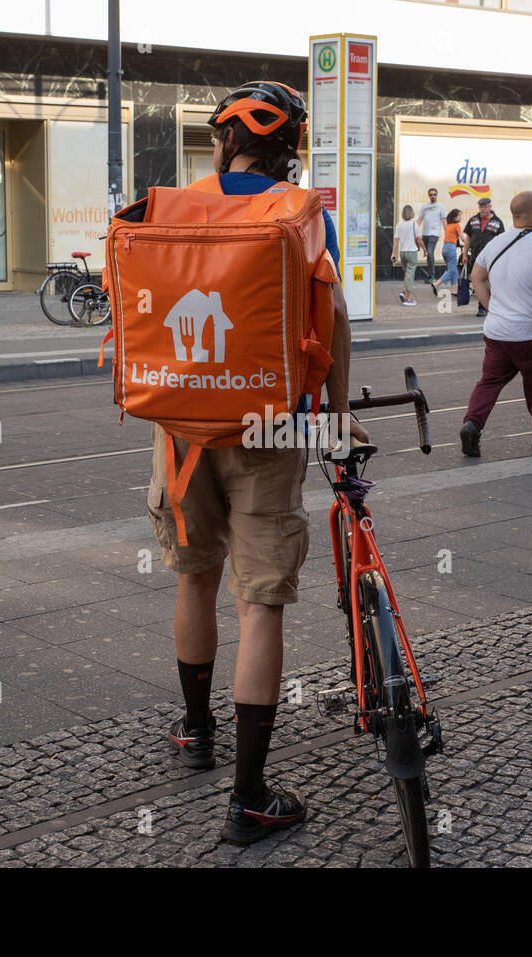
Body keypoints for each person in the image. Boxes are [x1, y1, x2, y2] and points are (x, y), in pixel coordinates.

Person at [158, 80, 369, 846]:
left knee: (195, 574)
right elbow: (336, 324)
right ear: (289, 151)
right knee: (259, 602)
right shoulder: (303, 215)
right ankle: (249, 797)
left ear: (224, 143)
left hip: (181, 427)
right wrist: (337, 424)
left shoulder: (177, 206)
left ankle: (194, 729)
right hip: (270, 427)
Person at [458, 191, 532, 457]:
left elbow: (476, 277)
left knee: (489, 381)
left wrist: (490, 306)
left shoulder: (494, 244)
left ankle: (472, 424)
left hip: (497, 333)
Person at [463, 196, 506, 318]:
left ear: (490, 207)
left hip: (492, 258)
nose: (482, 209)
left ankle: (490, 307)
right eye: (481, 207)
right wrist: (465, 254)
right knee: (478, 281)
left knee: (491, 282)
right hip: (476, 256)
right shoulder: (473, 220)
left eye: (485, 207)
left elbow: (501, 241)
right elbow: (468, 239)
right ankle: (482, 307)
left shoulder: (497, 222)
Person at [391, 205, 422, 306]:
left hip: (402, 253)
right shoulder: (414, 224)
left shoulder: (399, 224)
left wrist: (393, 253)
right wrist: (424, 249)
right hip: (412, 253)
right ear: (412, 213)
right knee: (410, 275)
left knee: (407, 274)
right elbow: (418, 239)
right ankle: (408, 299)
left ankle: (404, 291)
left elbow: (396, 240)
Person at [430, 208, 464, 297]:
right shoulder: (457, 225)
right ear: (455, 217)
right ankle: (436, 284)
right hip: (451, 249)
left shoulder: (449, 225)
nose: (461, 217)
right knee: (452, 270)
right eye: (459, 215)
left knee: (453, 270)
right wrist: (470, 243)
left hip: (445, 248)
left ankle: (454, 290)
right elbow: (463, 238)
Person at [417, 187, 447, 281]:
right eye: (431, 194)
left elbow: (444, 221)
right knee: (427, 253)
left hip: (434, 234)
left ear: (437, 195)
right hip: (425, 234)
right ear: (428, 196)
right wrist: (414, 230)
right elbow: (419, 220)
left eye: (434, 194)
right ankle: (429, 275)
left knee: (430, 252)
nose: (433, 196)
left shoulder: (441, 206)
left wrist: (448, 233)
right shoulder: (424, 207)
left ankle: (432, 276)